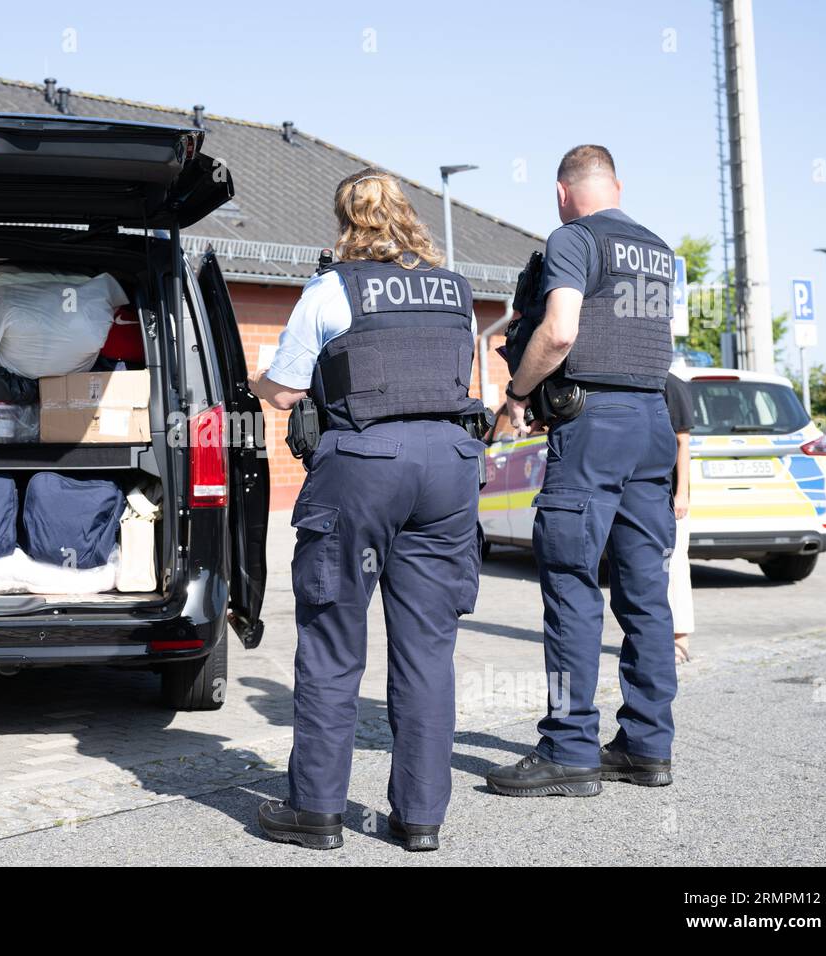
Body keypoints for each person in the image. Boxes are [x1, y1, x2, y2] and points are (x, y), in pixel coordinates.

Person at [247, 168, 488, 851]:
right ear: (409, 214)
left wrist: (255, 379)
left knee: (332, 644)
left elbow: (288, 392)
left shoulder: (333, 287)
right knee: (428, 652)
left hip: (364, 466)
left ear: (346, 221)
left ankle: (317, 812)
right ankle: (419, 821)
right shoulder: (458, 291)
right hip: (448, 467)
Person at [486, 145, 678, 796]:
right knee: (645, 590)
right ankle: (647, 748)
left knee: (570, 584)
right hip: (652, 417)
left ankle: (569, 750)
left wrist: (516, 391)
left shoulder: (573, 238)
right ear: (616, 186)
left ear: (563, 192)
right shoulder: (657, 248)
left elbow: (561, 331)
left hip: (595, 422)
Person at [664, 369, 695, 662]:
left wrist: (681, 493)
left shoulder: (671, 386)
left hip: (670, 495)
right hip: (642, 493)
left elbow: (682, 442)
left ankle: (680, 637)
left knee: (674, 565)